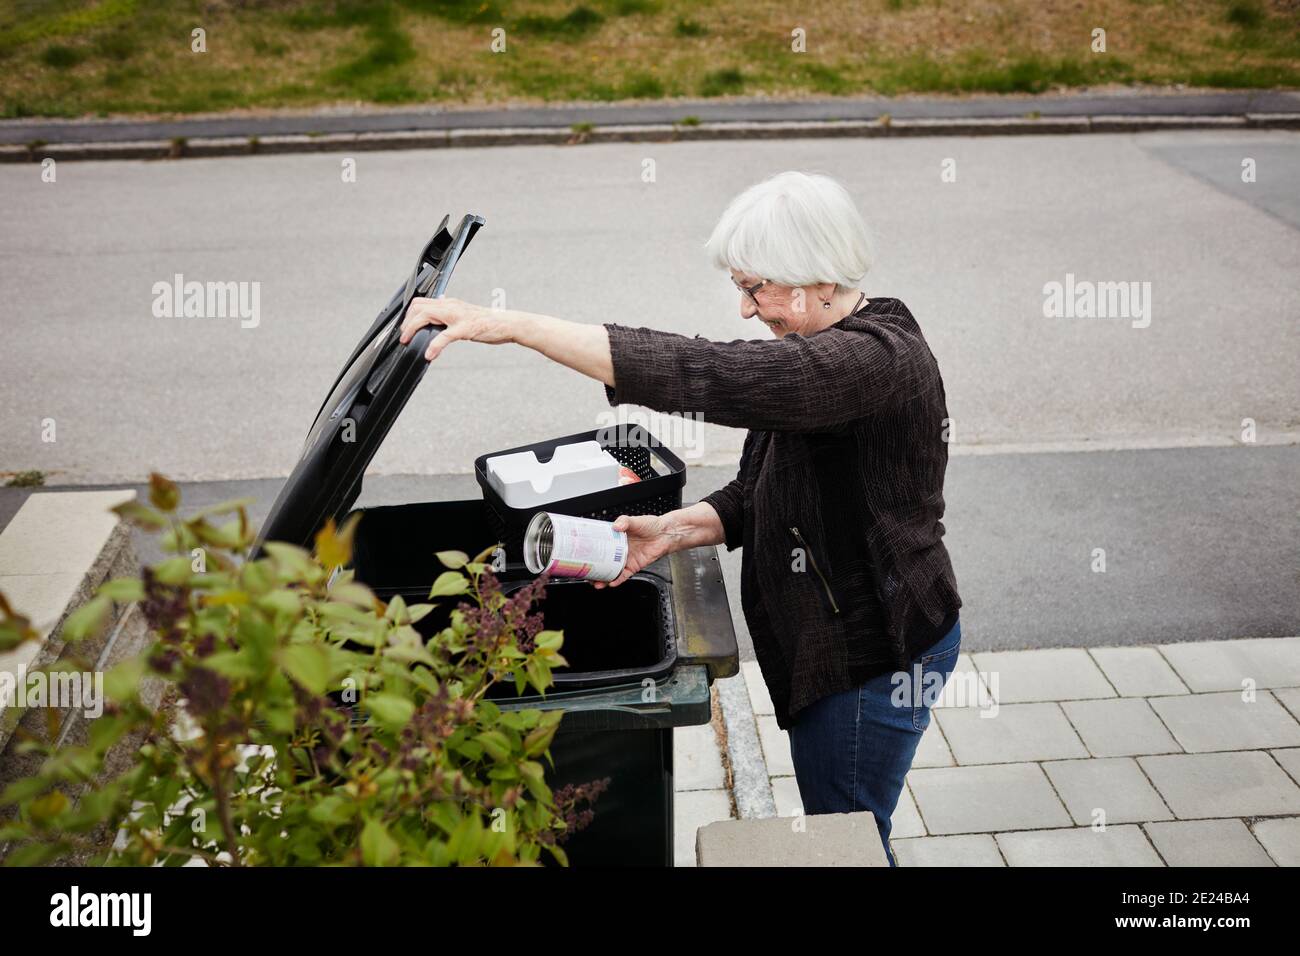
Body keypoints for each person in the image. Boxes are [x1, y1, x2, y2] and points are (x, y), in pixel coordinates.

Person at [399, 170, 963, 866]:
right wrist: (677, 527)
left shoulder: (865, 362)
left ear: (818, 279)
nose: (747, 310)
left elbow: (705, 372)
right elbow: (772, 489)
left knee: (845, 840)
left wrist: (514, 327)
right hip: (840, 640)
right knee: (841, 829)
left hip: (873, 651)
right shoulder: (831, 349)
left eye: (755, 288)